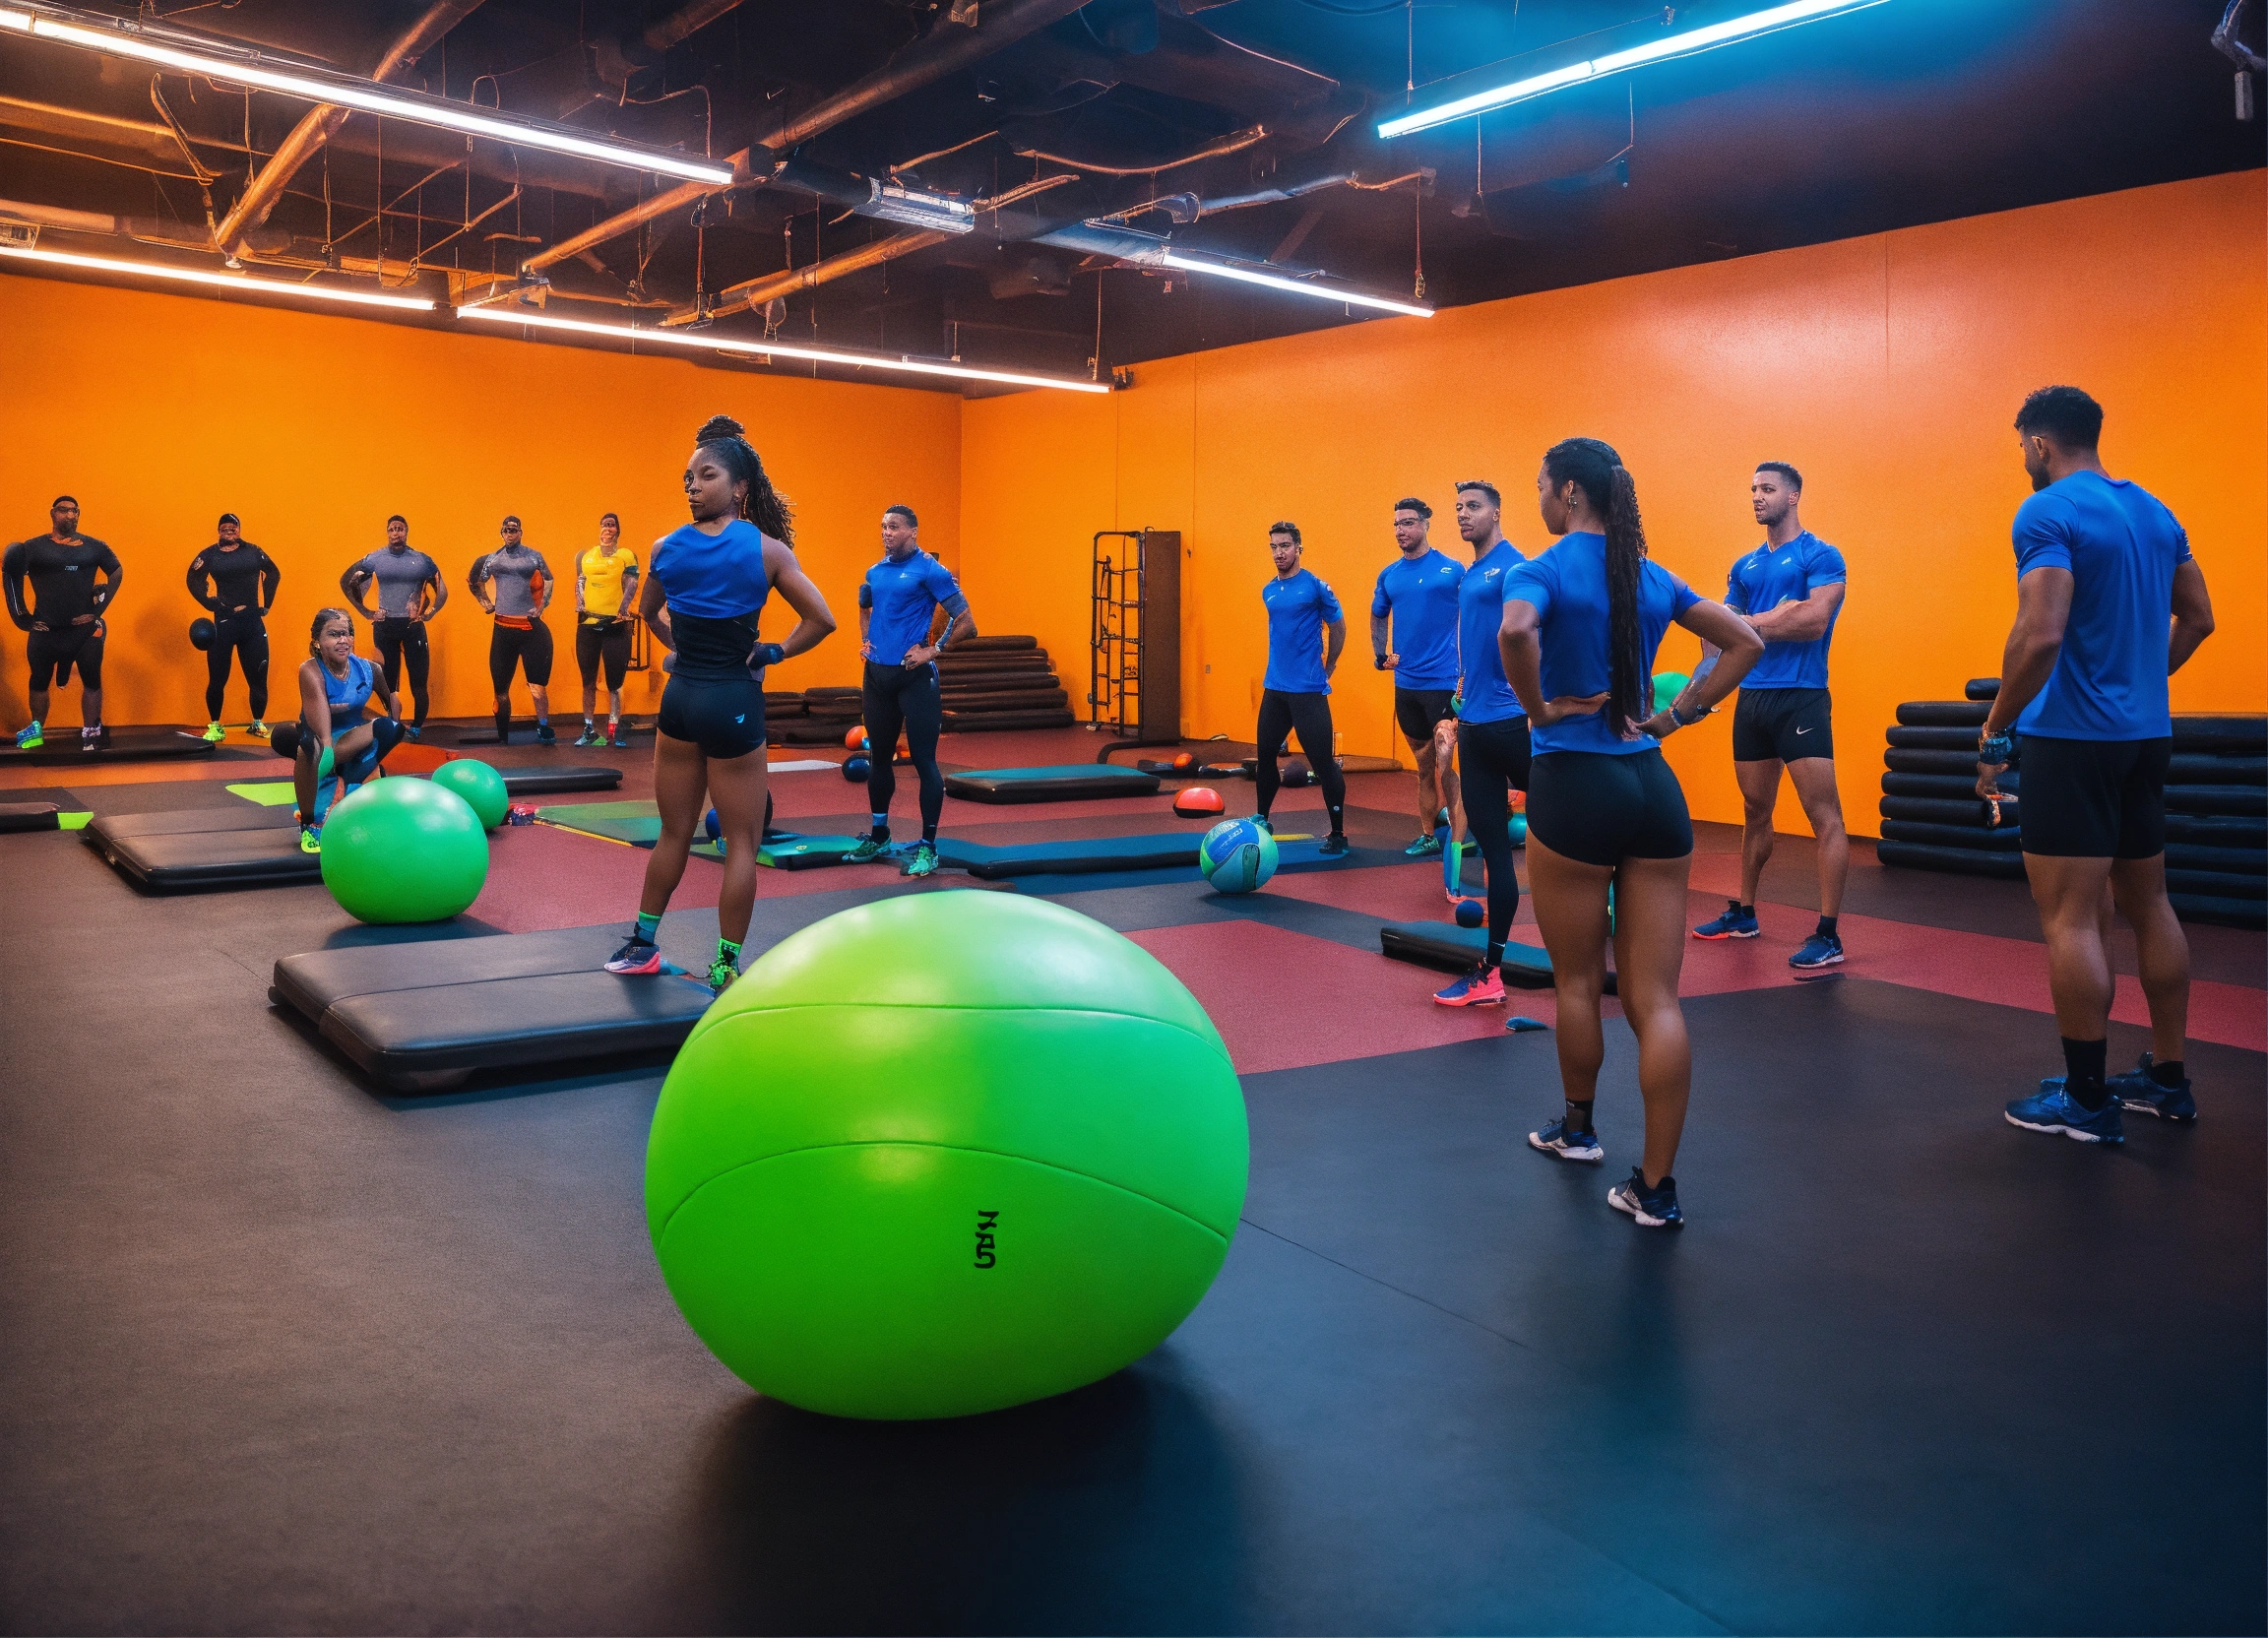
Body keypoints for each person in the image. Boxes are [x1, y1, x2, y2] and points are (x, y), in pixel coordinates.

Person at [1500, 437, 1763, 1228]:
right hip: (1652, 787)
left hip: (1574, 787)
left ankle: (1578, 1132)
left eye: (1542, 486)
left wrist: (1541, 709)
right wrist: (1677, 716)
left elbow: (1516, 633)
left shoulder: (1538, 571)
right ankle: (1657, 1189)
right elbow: (1745, 641)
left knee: (1578, 983)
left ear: (1570, 492)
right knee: (1658, 999)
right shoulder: (1651, 575)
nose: (1540, 500)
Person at [1983, 386, 2214, 1144]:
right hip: (2145, 737)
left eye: (2023, 448)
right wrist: (2140, 681)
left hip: (2073, 743)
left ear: (2041, 445)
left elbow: (2040, 633)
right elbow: (2201, 618)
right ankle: (2167, 1079)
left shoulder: (2047, 511)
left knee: (2070, 918)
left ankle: (2086, 1101)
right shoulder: (2156, 511)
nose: (2023, 460)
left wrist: (1996, 727)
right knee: (2150, 904)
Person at [604, 414, 835, 995]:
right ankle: (725, 966)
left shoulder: (666, 548)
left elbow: (648, 614)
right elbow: (823, 620)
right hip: (731, 699)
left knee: (674, 834)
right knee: (741, 845)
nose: (692, 486)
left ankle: (642, 944)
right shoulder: (767, 550)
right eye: (688, 478)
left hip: (681, 701)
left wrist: (679, 646)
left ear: (739, 489)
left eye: (706, 476)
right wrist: (773, 653)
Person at [1687, 463, 1851, 968]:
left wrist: (1752, 626)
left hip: (1801, 696)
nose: (1757, 497)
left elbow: (1813, 619)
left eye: (1767, 489)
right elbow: (1715, 633)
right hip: (1752, 699)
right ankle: (1747, 912)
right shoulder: (1746, 566)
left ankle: (1828, 933)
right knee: (1755, 811)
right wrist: (1700, 692)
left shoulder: (1820, 555)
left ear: (1794, 495)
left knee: (1823, 816)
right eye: (1753, 489)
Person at [1432, 480, 1533, 1006]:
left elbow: (1531, 633)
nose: (1463, 515)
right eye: (1458, 508)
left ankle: (1617, 907)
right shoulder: (1471, 574)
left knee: (1577, 825)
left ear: (1497, 510)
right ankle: (1491, 974)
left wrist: (1537, 703)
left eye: (1473, 506)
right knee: (1495, 854)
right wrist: (1461, 692)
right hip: (1475, 727)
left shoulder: (1515, 566)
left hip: (1514, 725)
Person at [847, 504, 974, 879]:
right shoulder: (874, 571)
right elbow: (865, 606)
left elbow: (966, 620)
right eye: (883, 525)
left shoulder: (931, 570)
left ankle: (929, 847)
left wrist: (934, 649)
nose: (886, 532)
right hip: (877, 678)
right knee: (879, 759)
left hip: (915, 678)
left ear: (913, 532)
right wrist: (866, 639)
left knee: (924, 762)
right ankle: (879, 835)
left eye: (895, 526)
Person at [1370, 496, 1466, 857]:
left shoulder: (1452, 570)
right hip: (1406, 687)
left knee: (1446, 767)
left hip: (1443, 684)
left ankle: (1459, 839)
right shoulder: (1390, 575)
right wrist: (1380, 656)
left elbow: (1475, 614)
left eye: (1408, 522)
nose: (1401, 530)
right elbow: (1378, 614)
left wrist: (1468, 669)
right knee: (1423, 770)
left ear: (1426, 523)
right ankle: (1428, 835)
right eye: (1396, 524)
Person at [272, 607, 407, 853]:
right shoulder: (310, 670)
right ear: (317, 642)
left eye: (347, 633)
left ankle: (358, 771)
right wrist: (326, 762)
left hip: (352, 736)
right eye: (334, 634)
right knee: (311, 749)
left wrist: (393, 713)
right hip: (321, 738)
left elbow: (392, 700)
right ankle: (309, 822)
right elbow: (323, 735)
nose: (343, 640)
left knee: (391, 729)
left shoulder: (369, 670)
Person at [1254, 522, 1349, 853]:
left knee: (1323, 765)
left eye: (1285, 546)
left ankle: (1338, 834)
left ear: (1298, 548)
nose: (1279, 553)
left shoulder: (1315, 587)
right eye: (1274, 547)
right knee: (1265, 758)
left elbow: (1338, 628)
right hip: (1275, 688)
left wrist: (1330, 666)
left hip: (1308, 690)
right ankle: (1262, 818)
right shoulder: (1269, 590)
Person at [5, 495, 122, 751]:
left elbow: (116, 571)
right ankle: (36, 728)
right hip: (46, 629)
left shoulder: (94, 547)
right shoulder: (33, 548)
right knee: (39, 679)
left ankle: (91, 731)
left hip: (83, 630)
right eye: (64, 510)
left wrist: (98, 610)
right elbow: (11, 574)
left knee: (92, 678)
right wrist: (22, 618)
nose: (70, 515)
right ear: (53, 513)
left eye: (75, 511)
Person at [342, 516, 446, 732]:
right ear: (387, 532)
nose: (396, 533)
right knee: (388, 684)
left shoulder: (422, 560)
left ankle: (416, 728)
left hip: (412, 628)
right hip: (385, 628)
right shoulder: (375, 559)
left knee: (418, 683)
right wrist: (366, 612)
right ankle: (395, 726)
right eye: (392, 529)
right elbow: (347, 581)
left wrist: (430, 612)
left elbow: (441, 589)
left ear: (407, 532)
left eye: (400, 529)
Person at [187, 513, 281, 740]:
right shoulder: (209, 555)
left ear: (239, 529)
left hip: (252, 623)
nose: (229, 530)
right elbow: (192, 579)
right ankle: (216, 726)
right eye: (224, 527)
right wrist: (209, 602)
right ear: (219, 530)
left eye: (233, 527)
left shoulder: (253, 551)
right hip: (224, 623)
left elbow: (274, 573)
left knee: (258, 677)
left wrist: (266, 604)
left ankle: (257, 723)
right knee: (217, 678)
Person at [468, 516, 555, 745]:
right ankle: (503, 735)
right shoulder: (493, 560)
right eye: (506, 530)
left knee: (537, 686)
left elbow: (549, 578)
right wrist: (486, 603)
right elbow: (475, 581)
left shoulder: (533, 556)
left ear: (521, 532)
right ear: (501, 533)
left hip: (530, 629)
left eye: (514, 530)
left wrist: (542, 605)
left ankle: (543, 727)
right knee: (500, 689)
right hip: (503, 630)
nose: (510, 534)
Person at [574, 511, 639, 747]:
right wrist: (580, 604)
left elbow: (632, 582)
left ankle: (614, 728)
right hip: (588, 627)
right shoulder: (586, 556)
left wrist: (623, 608)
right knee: (588, 681)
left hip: (616, 627)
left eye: (611, 525)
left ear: (617, 531)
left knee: (615, 683)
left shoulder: (626, 555)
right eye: (604, 525)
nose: (607, 529)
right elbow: (580, 581)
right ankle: (589, 729)